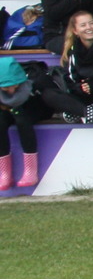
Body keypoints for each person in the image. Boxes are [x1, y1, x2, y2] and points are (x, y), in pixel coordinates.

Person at [0, 58, 43, 192]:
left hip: (31, 110)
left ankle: (31, 170)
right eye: (6, 87)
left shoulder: (32, 84)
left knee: (21, 118)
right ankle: (4, 173)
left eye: (15, 85)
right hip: (8, 112)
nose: (11, 90)